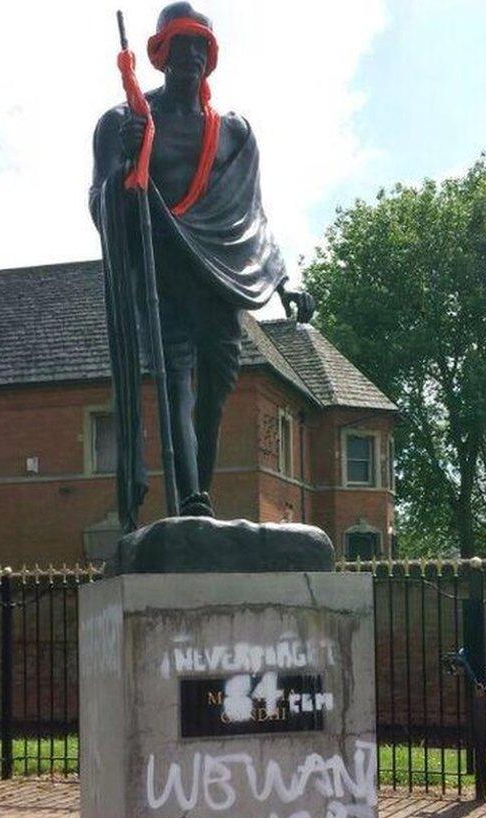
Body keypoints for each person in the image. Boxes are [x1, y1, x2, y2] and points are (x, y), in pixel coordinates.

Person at [89, 1, 314, 529]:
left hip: (218, 283)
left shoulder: (235, 133)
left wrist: (281, 281)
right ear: (160, 54)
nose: (190, 55)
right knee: (176, 386)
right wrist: (124, 168)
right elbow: (100, 204)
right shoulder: (125, 120)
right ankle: (192, 501)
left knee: (215, 392)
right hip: (161, 280)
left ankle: (199, 497)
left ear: (210, 58)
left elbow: (251, 215)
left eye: (199, 46)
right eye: (180, 45)